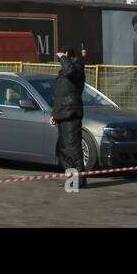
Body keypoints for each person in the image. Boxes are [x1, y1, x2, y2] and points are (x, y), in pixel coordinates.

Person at [49, 44, 86, 185]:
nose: (59, 59)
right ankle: (72, 179)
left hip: (71, 114)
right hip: (62, 114)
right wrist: (54, 114)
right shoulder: (65, 71)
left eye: (60, 56)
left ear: (66, 54)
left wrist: (64, 57)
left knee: (73, 148)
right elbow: (60, 96)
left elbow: (70, 70)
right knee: (63, 149)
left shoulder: (76, 68)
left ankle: (80, 180)